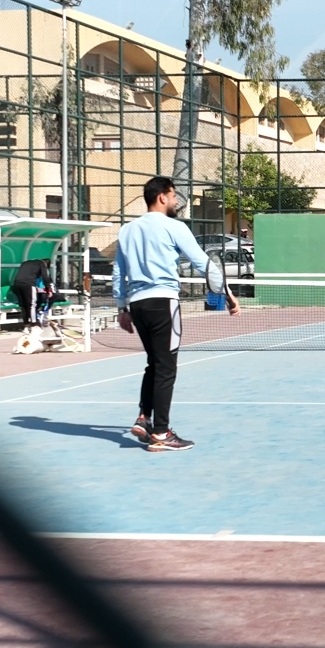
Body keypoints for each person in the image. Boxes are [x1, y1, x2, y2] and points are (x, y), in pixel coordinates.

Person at [114, 176, 238, 452]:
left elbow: (118, 271)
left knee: (154, 364)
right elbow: (203, 263)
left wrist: (121, 308)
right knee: (166, 369)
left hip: (137, 304)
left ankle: (145, 418)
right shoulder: (174, 227)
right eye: (173, 196)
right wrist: (226, 293)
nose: (175, 201)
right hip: (163, 303)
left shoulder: (127, 230)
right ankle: (161, 433)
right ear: (161, 197)